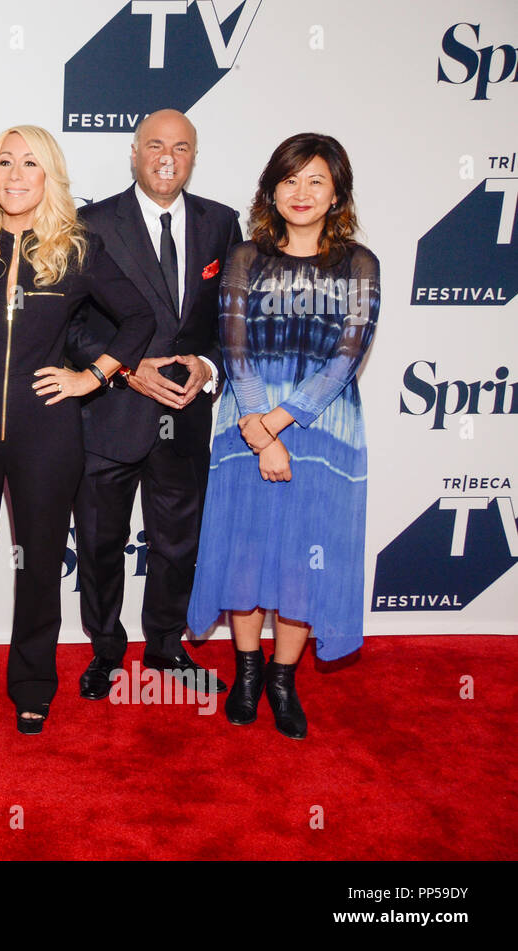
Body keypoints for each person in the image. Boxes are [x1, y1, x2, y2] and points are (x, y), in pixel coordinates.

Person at [0, 126, 156, 734]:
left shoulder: (78, 248)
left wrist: (90, 378)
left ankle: (34, 685)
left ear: (50, 175)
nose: (16, 174)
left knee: (40, 562)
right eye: (6, 162)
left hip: (48, 428)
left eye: (30, 164)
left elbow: (139, 318)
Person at [187, 133, 380, 739]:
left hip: (322, 431)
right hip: (244, 424)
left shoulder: (359, 264)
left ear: (337, 193)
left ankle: (281, 678)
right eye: (291, 180)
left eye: (316, 181)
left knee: (303, 559)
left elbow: (348, 356)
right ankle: (247, 672)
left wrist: (278, 423)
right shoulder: (245, 258)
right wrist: (257, 426)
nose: (302, 193)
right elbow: (234, 348)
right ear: (272, 189)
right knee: (246, 552)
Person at [69, 109, 242, 701]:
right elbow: (67, 326)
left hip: (186, 413)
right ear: (135, 153)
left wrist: (209, 364)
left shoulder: (222, 223)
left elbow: (231, 318)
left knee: (177, 541)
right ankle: (105, 649)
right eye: (156, 146)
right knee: (98, 541)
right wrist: (122, 368)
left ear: (194, 156)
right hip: (111, 412)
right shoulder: (88, 223)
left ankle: (166, 646)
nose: (168, 157)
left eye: (183, 147)